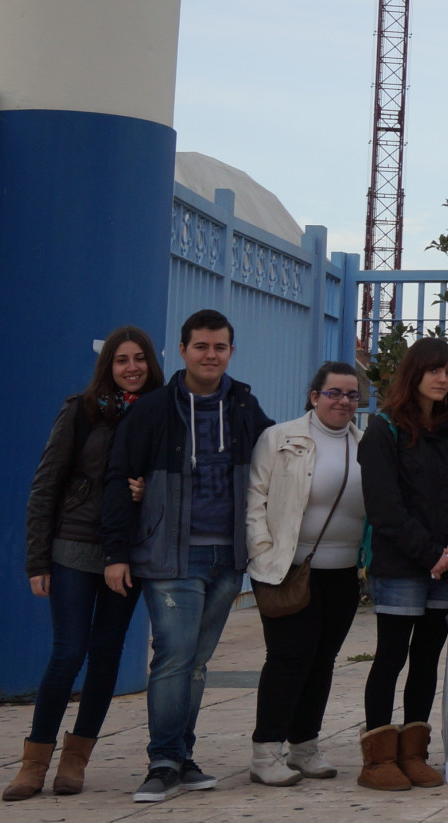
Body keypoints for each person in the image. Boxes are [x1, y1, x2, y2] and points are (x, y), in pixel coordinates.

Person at [103, 309, 272, 805]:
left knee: (197, 663)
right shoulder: (154, 409)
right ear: (182, 350)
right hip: (169, 557)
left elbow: (276, 460)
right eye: (201, 346)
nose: (210, 355)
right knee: (174, 658)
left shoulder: (243, 405)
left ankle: (182, 754)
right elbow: (119, 477)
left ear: (230, 352)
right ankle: (162, 760)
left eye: (219, 347)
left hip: (227, 558)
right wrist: (117, 553)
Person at [4, 328, 164, 801]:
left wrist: (148, 488)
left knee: (106, 656)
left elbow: (180, 480)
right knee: (68, 652)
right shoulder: (81, 410)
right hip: (73, 545)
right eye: (121, 360)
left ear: (150, 363)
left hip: (129, 553)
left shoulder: (163, 413)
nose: (131, 367)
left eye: (138, 359)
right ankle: (34, 762)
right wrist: (38, 559)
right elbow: (45, 484)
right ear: (108, 367)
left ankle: (75, 761)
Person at [357, 338, 448, 791]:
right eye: (433, 371)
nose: (443, 379)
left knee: (427, 660)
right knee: (391, 656)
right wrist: (432, 556)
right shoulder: (383, 430)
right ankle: (377, 757)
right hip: (404, 565)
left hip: (446, 566)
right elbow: (385, 508)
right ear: (413, 374)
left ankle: (413, 752)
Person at [245, 363, 369, 787]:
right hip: (289, 572)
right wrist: (263, 556)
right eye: (334, 393)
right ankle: (265, 752)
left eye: (352, 395)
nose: (344, 402)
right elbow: (255, 501)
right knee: (288, 659)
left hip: (342, 574)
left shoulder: (365, 444)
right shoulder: (280, 438)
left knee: (322, 662)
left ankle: (304, 747)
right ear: (314, 396)